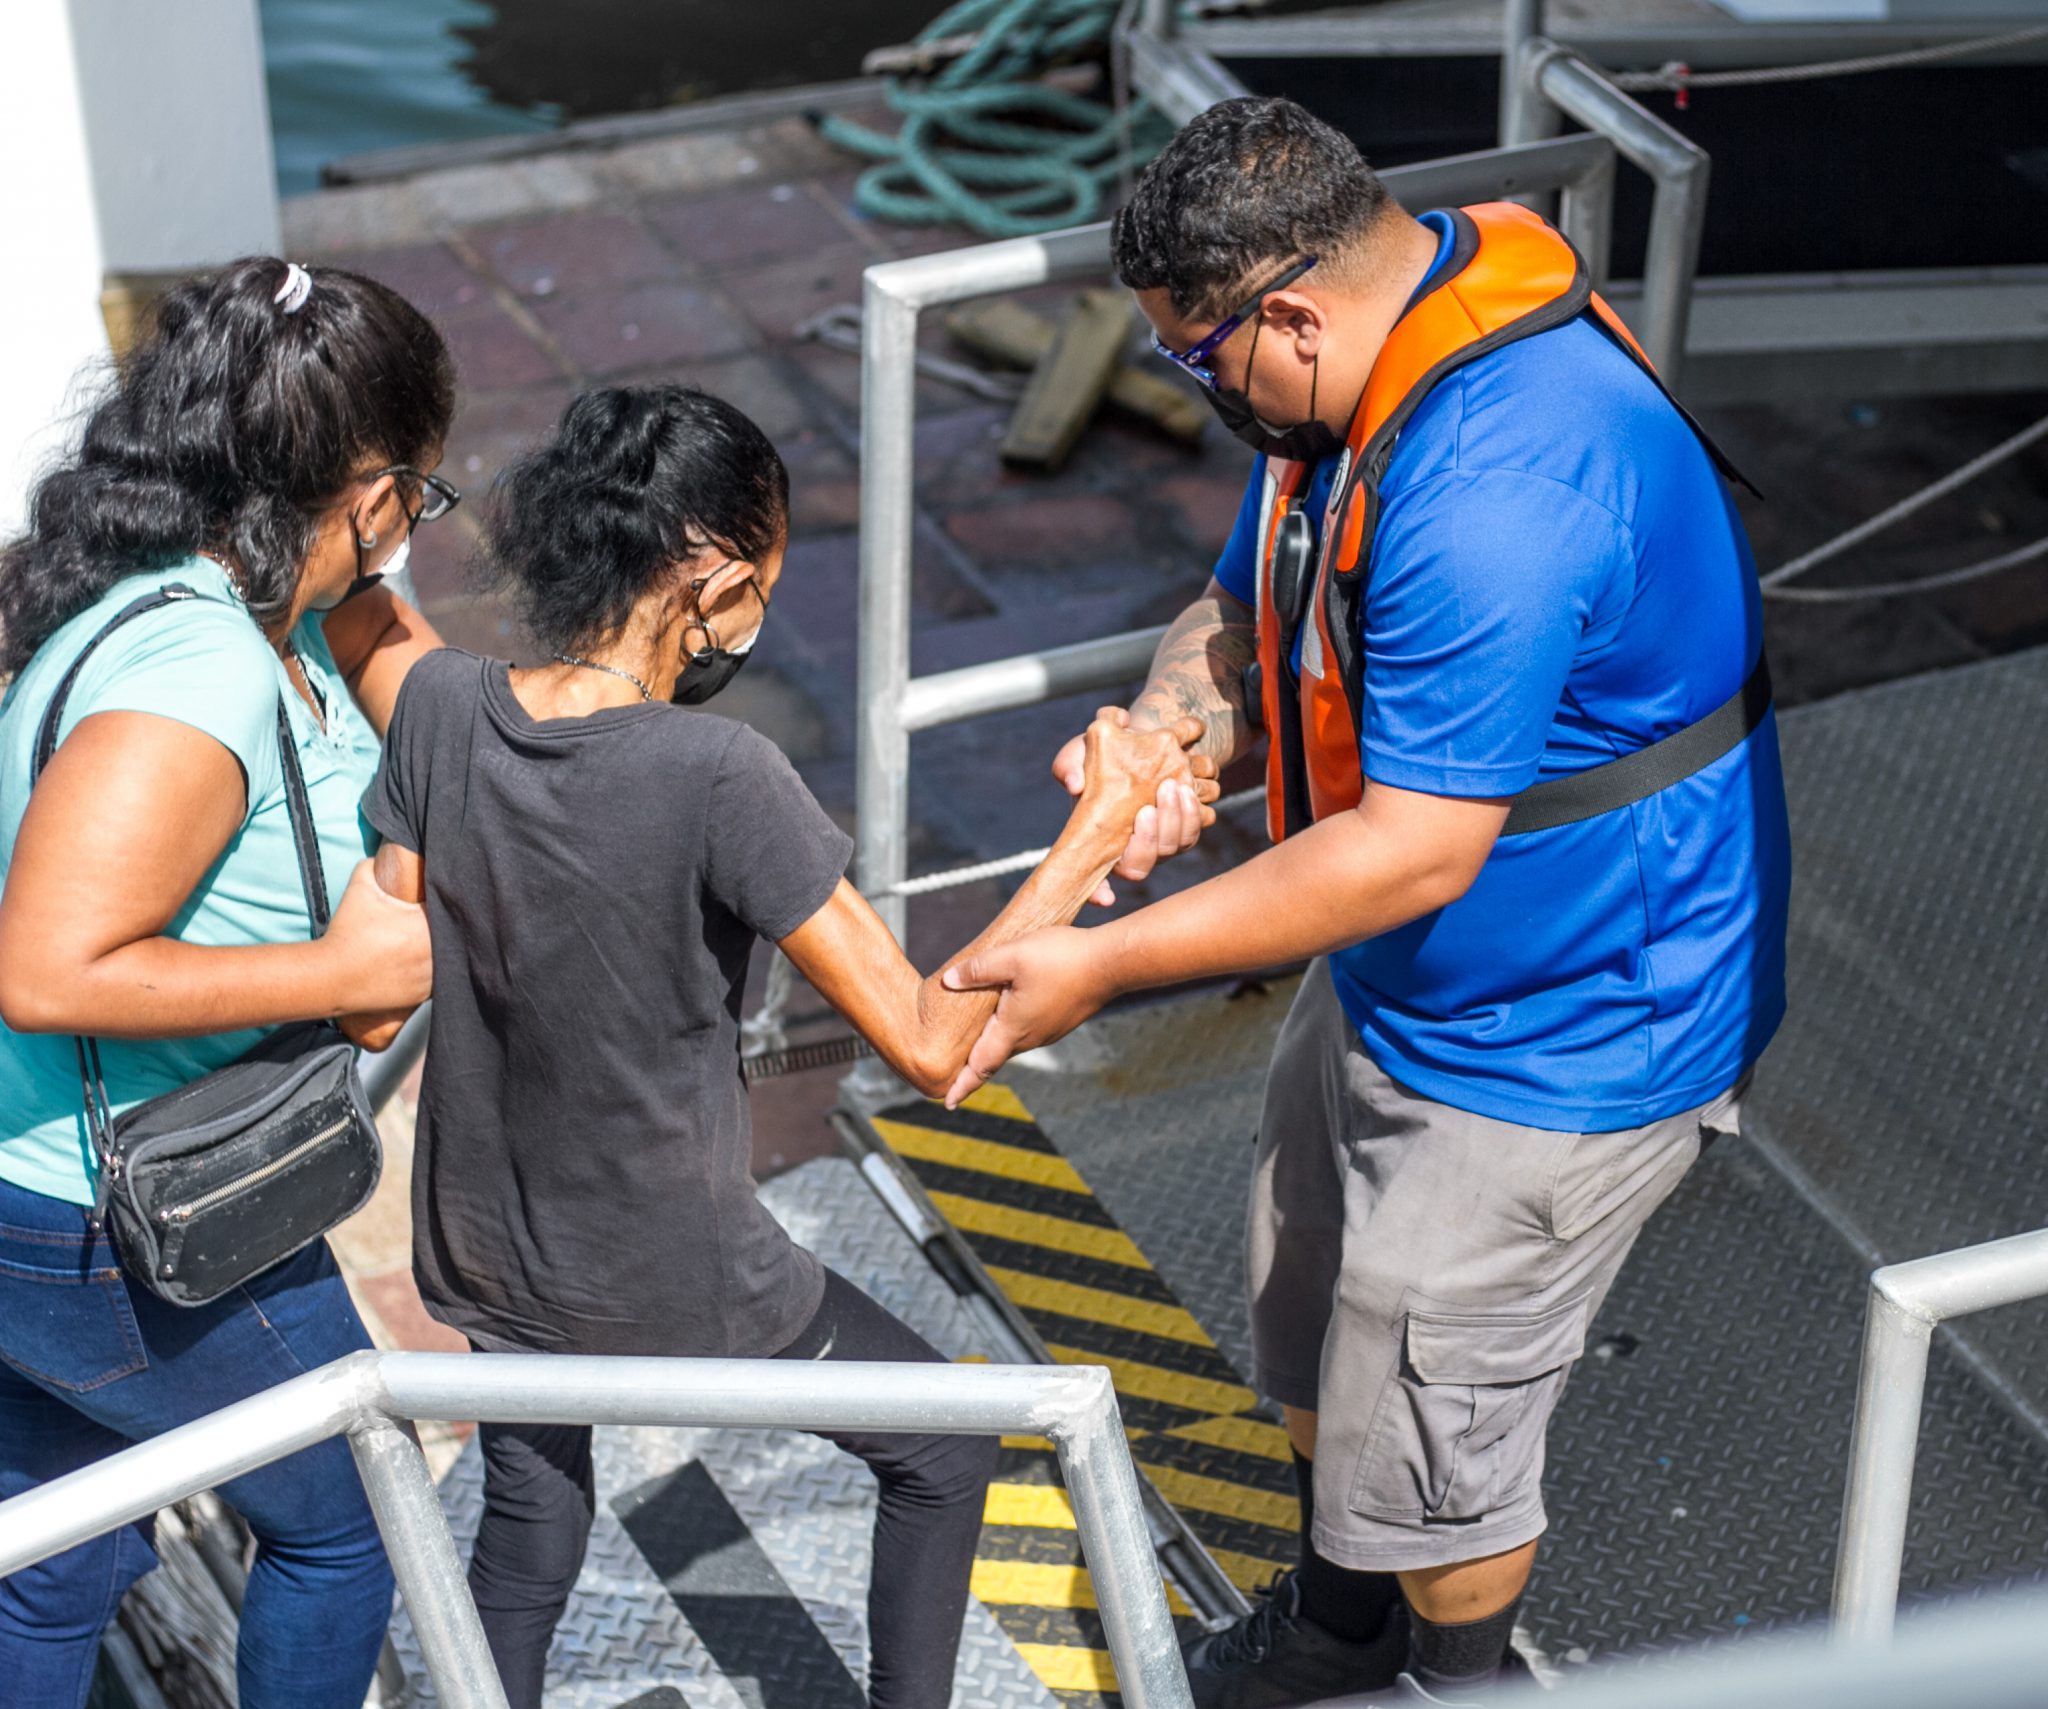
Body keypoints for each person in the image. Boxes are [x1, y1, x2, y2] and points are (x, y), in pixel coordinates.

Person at [943, 99, 1793, 1706]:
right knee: (1314, 1291)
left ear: (1289, 312)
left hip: (1570, 1024)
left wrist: (1099, 964)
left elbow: (1411, 847)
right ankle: (1343, 1626)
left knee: (1440, 1414)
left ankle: (1454, 1675)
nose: (1201, 401)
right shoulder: (1359, 381)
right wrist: (1171, 723)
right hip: (1398, 977)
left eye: (1199, 364)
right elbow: (1242, 595)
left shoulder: (1497, 492)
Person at [360, 382, 1214, 1709]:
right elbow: (937, 1045)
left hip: (488, 1247)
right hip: (677, 1272)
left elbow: (385, 965)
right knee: (943, 1451)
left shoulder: (438, 708)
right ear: (706, 578)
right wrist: (1093, 834)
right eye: (762, 577)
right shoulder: (721, 776)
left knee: (528, 1535)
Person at [0, 258, 451, 1709]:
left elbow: (432, 693)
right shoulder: (196, 679)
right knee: (349, 1523)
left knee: (56, 1557)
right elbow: (47, 963)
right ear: (369, 491)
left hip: (57, 1194)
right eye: (419, 500)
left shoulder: (246, 591)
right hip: (110, 1215)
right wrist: (348, 961)